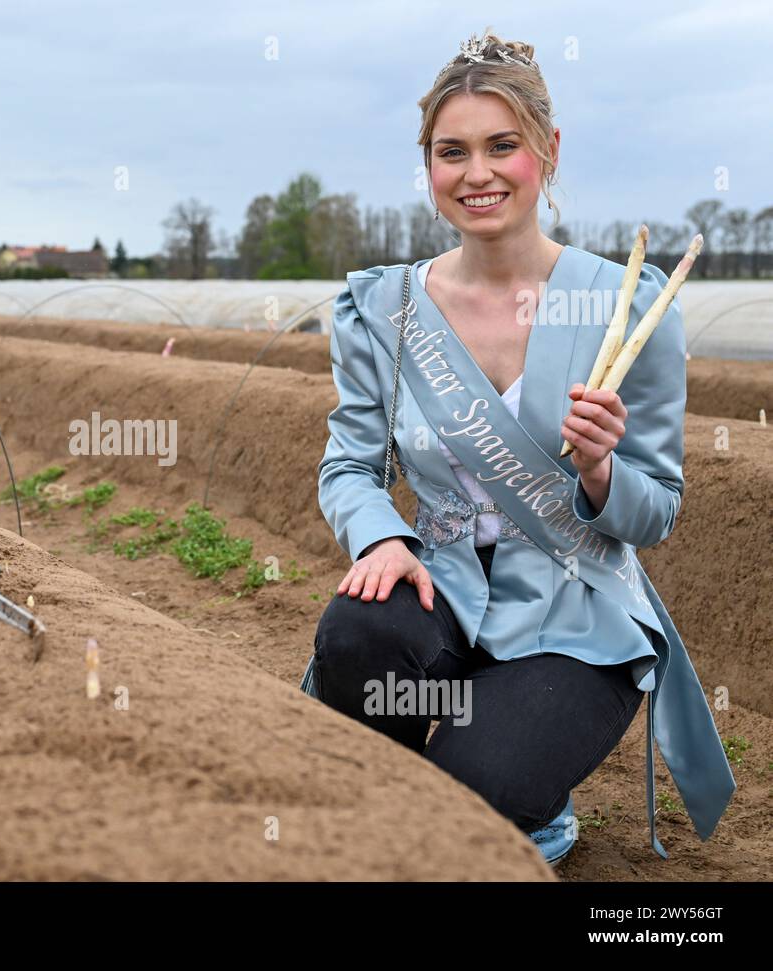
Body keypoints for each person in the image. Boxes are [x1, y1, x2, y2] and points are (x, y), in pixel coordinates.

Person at [307, 28, 734, 864]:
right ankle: (383, 797)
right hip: (445, 592)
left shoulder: (626, 306)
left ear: (548, 149)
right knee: (359, 632)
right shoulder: (384, 310)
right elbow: (350, 465)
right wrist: (384, 537)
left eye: (503, 146)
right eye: (450, 151)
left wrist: (604, 470)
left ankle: (525, 797)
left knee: (473, 806)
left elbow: (657, 514)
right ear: (427, 164)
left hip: (576, 618)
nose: (478, 173)